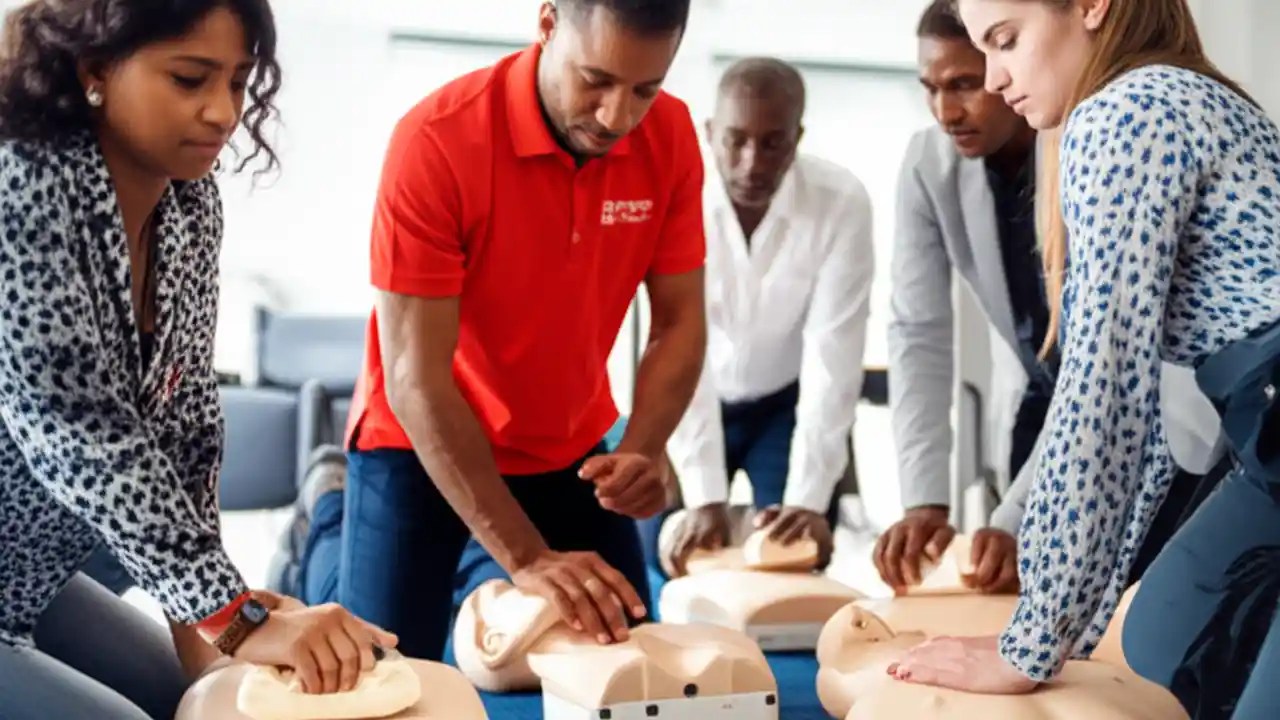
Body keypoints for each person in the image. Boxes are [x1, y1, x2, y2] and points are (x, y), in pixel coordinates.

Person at [0, 1, 396, 718]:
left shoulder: (191, 205)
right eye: (190, 80)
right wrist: (235, 616)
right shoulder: (19, 184)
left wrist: (225, 634)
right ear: (95, 70)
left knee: (199, 698)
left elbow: (189, 427)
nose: (223, 112)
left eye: (240, 83)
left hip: (30, 572)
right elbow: (78, 432)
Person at [888, 1, 1280, 715]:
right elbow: (1147, 420)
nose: (997, 77)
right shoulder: (1192, 92)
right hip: (1266, 437)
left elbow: (1102, 395)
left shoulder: (1123, 113)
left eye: (1005, 42)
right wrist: (1065, 626)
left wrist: (1028, 645)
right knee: (1161, 635)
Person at [293, 0, 707, 662]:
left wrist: (645, 447)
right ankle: (326, 517)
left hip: (568, 441)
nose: (617, 117)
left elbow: (681, 318)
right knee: (384, 668)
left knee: (629, 661)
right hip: (421, 436)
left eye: (644, 89)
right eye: (595, 80)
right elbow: (415, 379)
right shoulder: (436, 140)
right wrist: (525, 555)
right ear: (546, 23)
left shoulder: (673, 135)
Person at [655, 57, 874, 579]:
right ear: (710, 135)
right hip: (685, 394)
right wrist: (703, 494)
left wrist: (808, 500)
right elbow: (680, 347)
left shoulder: (841, 202)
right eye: (736, 140)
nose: (752, 162)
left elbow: (833, 357)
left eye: (772, 142)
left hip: (785, 403)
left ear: (797, 137)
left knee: (797, 555)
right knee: (668, 554)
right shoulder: (675, 197)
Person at [876, 0, 1045, 595]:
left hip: (1137, 404)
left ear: (1007, 70)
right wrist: (925, 501)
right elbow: (917, 333)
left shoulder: (1083, 145)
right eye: (930, 89)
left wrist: (1017, 517)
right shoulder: (929, 165)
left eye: (965, 85)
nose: (946, 112)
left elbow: (1102, 365)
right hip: (1042, 395)